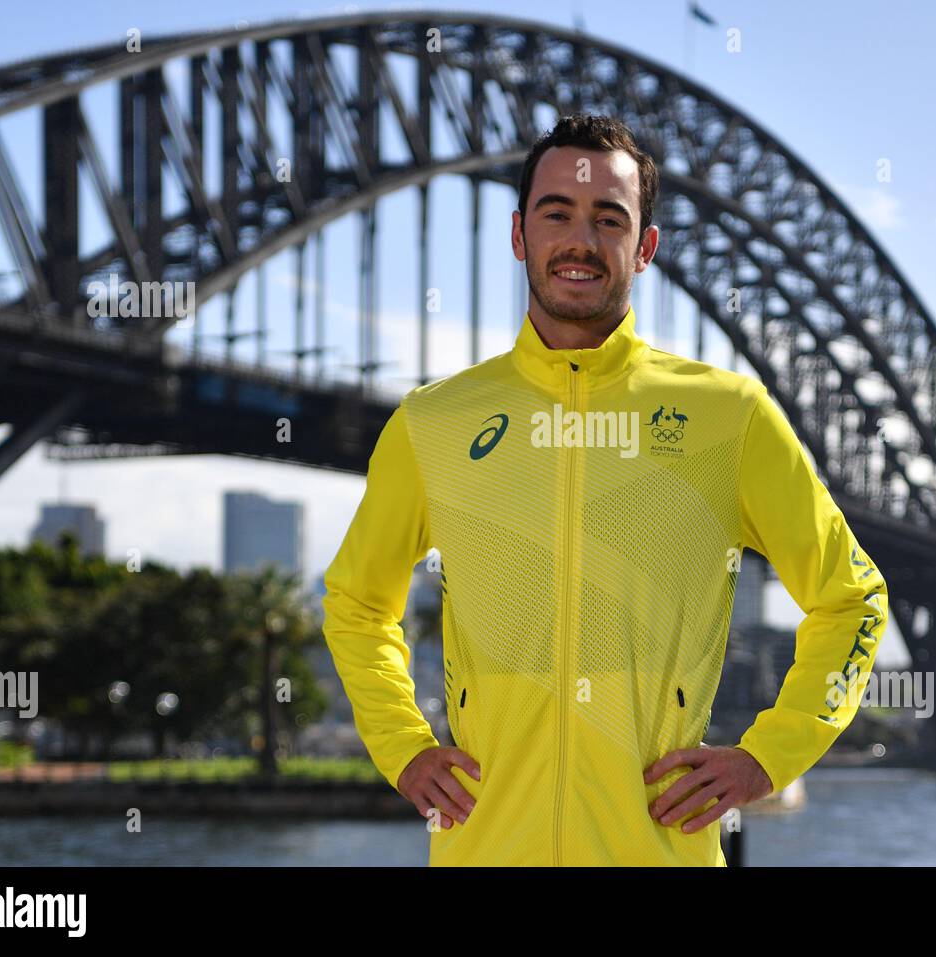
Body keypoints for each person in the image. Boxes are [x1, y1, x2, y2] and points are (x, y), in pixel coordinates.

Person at [322, 113, 890, 866]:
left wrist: (766, 759)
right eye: (556, 214)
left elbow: (853, 598)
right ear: (519, 235)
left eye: (609, 219)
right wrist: (403, 747)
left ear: (645, 247)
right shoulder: (433, 424)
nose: (580, 241)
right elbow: (357, 603)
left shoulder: (730, 417)